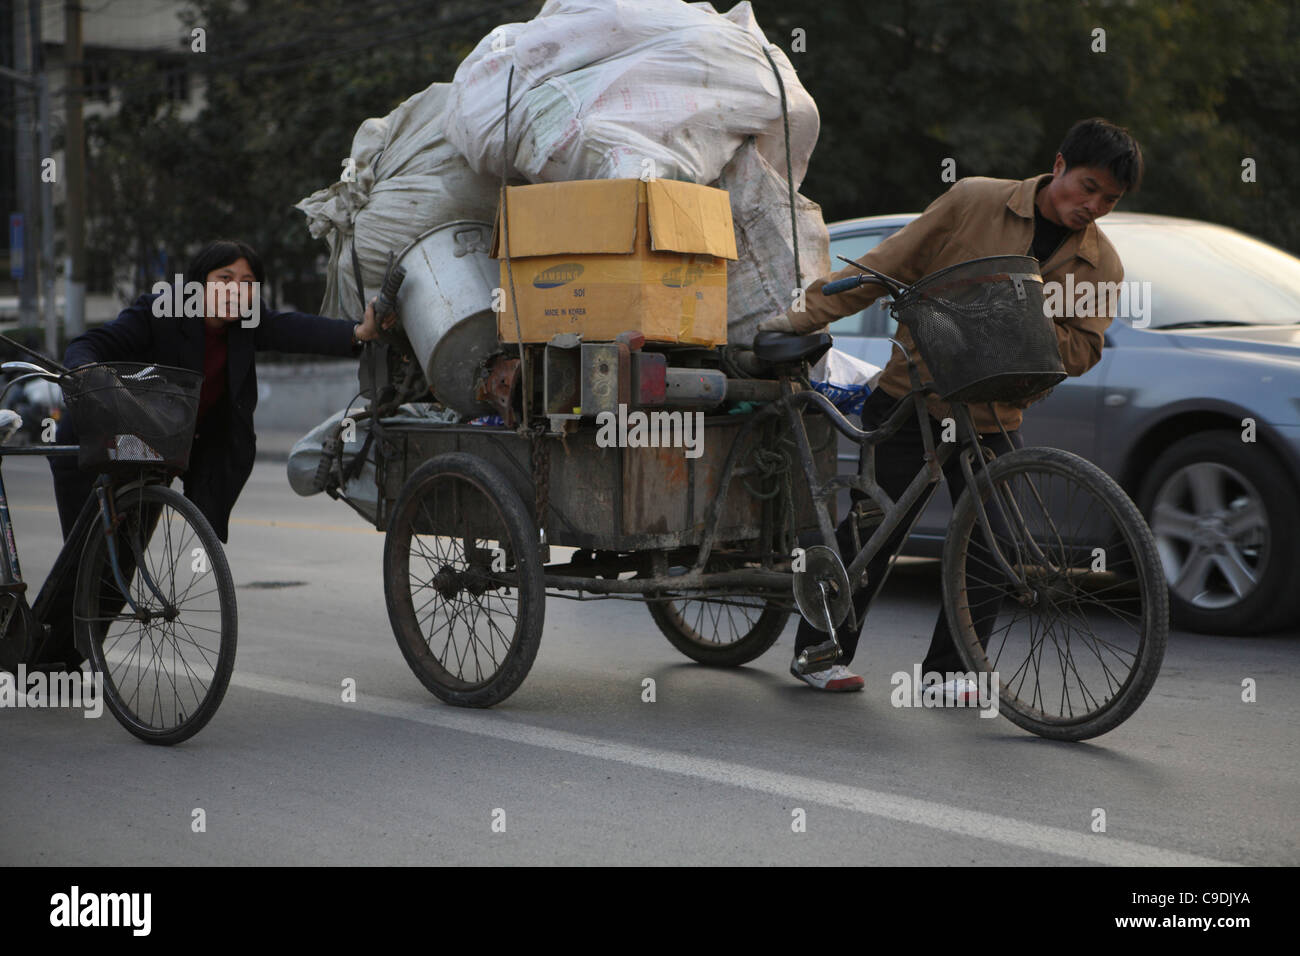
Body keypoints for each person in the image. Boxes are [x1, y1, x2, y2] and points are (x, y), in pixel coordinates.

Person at [760, 118, 1143, 695]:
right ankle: (818, 652)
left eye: (1109, 199)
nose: (1093, 205)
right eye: (1087, 187)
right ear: (1059, 165)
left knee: (993, 542)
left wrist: (1019, 329)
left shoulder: (1100, 264)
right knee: (876, 529)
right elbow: (886, 265)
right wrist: (796, 319)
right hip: (912, 395)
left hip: (995, 415)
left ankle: (949, 673)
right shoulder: (974, 201)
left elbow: (1084, 346)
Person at [39, 238, 392, 668]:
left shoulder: (245, 324)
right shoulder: (160, 311)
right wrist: (86, 371)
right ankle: (41, 657)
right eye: (225, 278)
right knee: (87, 560)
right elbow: (93, 341)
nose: (236, 290)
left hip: (153, 457)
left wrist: (358, 332)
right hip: (96, 446)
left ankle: (65, 660)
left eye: (247, 283)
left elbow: (295, 328)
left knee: (122, 566)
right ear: (196, 285)